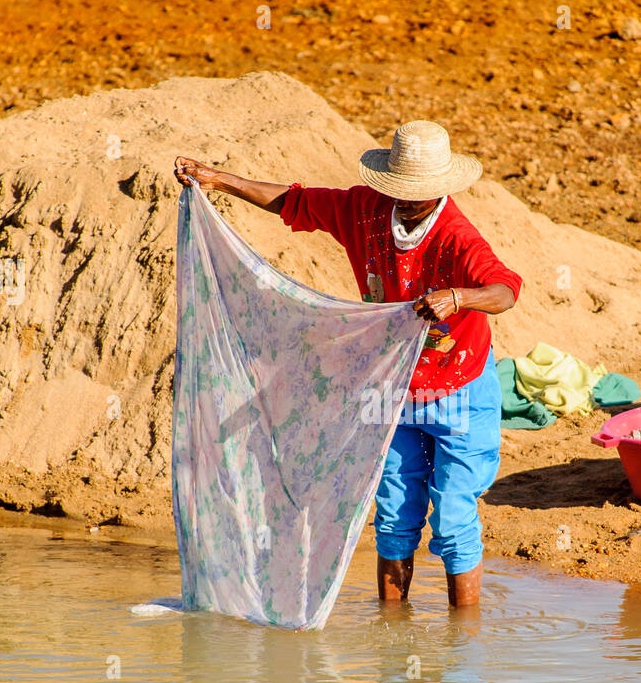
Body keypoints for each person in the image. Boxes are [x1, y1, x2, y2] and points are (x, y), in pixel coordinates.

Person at [175, 120, 521, 608]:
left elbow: (505, 290)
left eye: (416, 194)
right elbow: (297, 204)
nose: (405, 200)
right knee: (394, 513)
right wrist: (219, 179)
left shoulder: (457, 238)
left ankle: (461, 646)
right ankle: (392, 640)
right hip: (391, 388)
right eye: (399, 190)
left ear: (439, 190)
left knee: (454, 515)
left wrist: (459, 297)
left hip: (458, 388)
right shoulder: (365, 211)